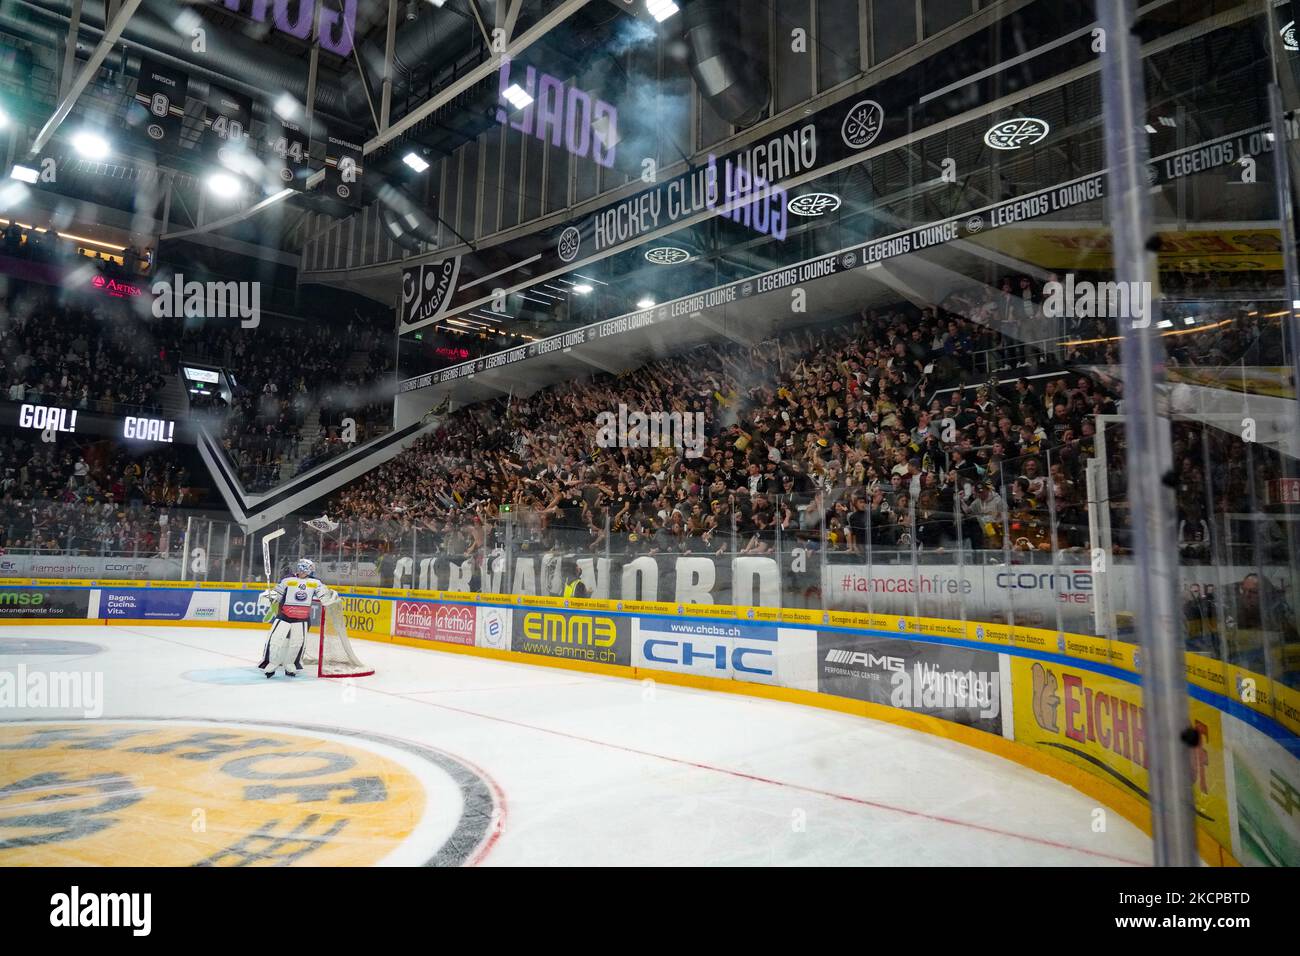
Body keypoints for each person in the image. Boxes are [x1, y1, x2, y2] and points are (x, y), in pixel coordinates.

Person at [259, 558, 337, 678]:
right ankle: (271, 664)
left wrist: (331, 596)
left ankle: (291, 666)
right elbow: (277, 595)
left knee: (297, 644)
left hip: (302, 619)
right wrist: (270, 596)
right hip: (284, 616)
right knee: (275, 641)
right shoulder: (288, 580)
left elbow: (324, 597)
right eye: (309, 568)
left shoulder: (315, 582)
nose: (309, 571)